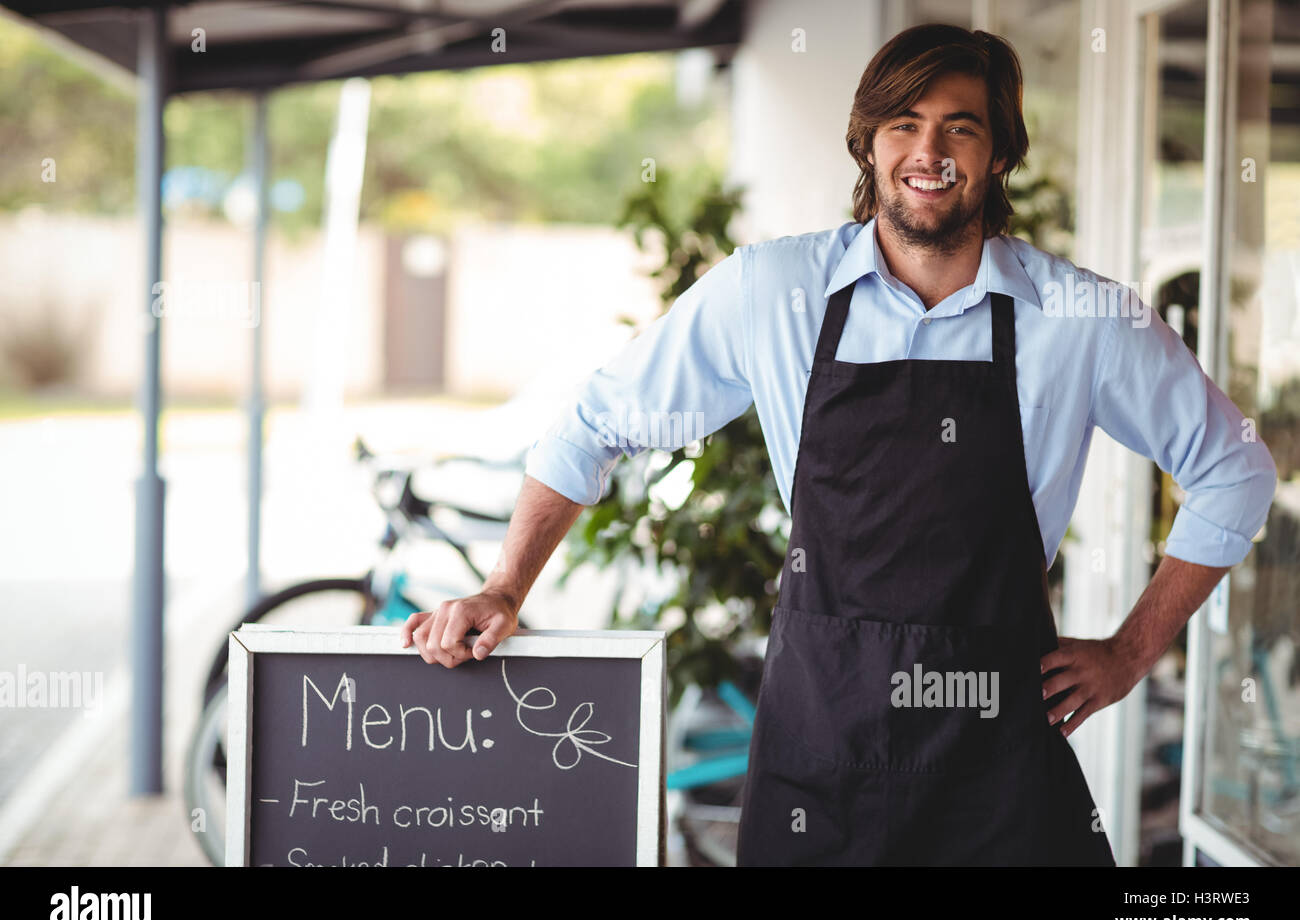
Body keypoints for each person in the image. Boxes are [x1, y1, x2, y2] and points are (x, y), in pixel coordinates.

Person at [399, 23, 1277, 865]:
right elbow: (595, 424)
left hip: (997, 767)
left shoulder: (1079, 319)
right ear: (868, 144)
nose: (929, 153)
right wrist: (503, 587)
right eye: (904, 125)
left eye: (960, 128)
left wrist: (1130, 653)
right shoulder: (773, 292)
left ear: (1000, 152)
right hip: (818, 764)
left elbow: (1234, 470)